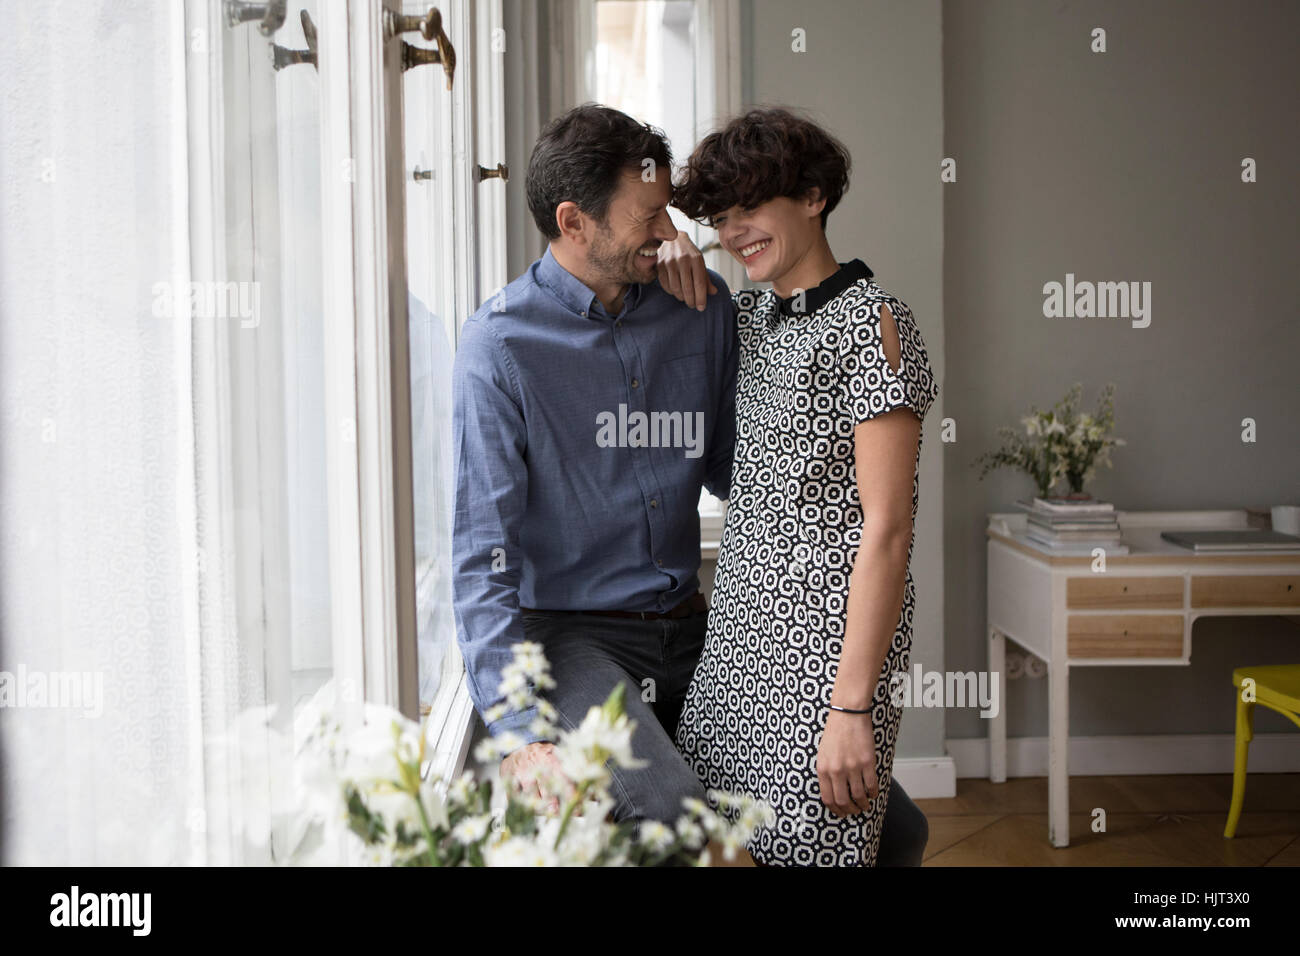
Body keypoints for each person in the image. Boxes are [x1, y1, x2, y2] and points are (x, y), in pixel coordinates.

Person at [452, 102, 929, 865]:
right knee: (697, 835)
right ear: (575, 223)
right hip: (578, 640)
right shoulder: (499, 346)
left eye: (671, 211)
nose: (673, 231)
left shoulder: (700, 309)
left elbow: (744, 466)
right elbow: (481, 557)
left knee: (899, 827)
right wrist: (518, 734)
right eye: (650, 216)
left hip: (694, 626)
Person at [657, 107, 940, 866]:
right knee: (724, 848)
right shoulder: (747, 317)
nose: (735, 230)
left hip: (825, 655)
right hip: (737, 645)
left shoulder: (874, 322)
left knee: (812, 848)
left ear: (813, 196)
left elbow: (888, 530)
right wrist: (670, 245)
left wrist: (851, 708)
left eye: (750, 206)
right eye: (722, 218)